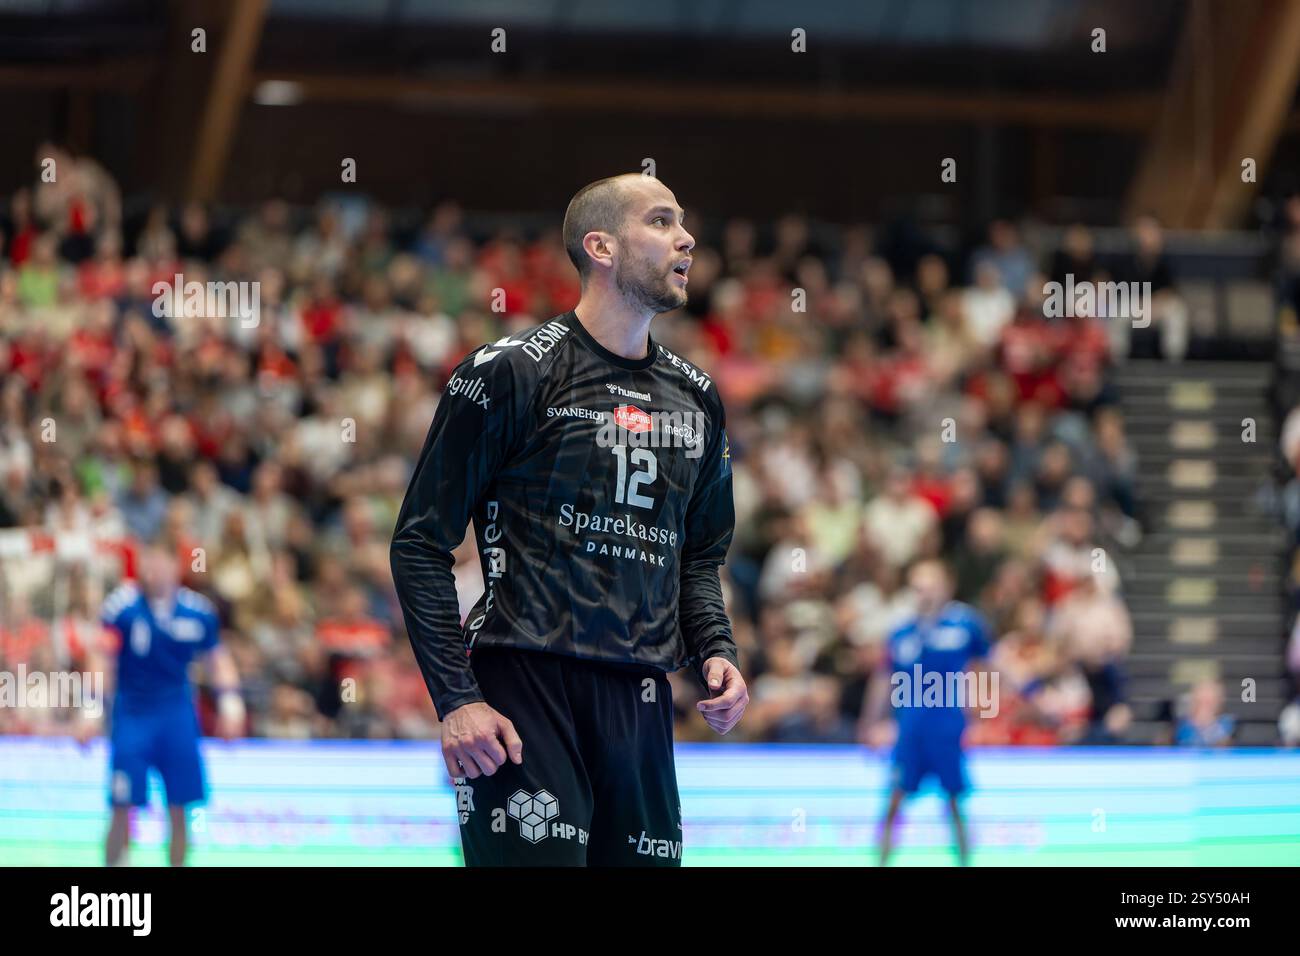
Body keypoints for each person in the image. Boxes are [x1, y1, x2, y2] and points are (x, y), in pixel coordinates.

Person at [390, 173, 748, 866]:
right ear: (602, 246)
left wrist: (716, 649)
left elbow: (699, 556)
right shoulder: (510, 374)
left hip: (639, 698)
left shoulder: (698, 398)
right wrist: (455, 700)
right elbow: (419, 544)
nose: (687, 238)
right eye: (662, 221)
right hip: (522, 689)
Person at [76, 541, 243, 866]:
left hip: (177, 715)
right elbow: (101, 659)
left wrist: (231, 705)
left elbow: (217, 660)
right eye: (146, 565)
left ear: (176, 568)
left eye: (160, 564)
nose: (153, 573)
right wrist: (91, 709)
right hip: (133, 716)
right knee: (122, 806)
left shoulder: (198, 612)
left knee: (181, 807)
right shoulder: (120, 607)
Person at [868, 558, 991, 866]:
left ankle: (965, 862)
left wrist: (990, 709)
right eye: (917, 587)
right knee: (894, 801)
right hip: (909, 732)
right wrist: (870, 721)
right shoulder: (902, 632)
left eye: (929, 586)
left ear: (947, 586)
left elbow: (989, 664)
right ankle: (880, 862)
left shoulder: (965, 624)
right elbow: (884, 678)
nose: (923, 593)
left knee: (953, 802)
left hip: (947, 729)